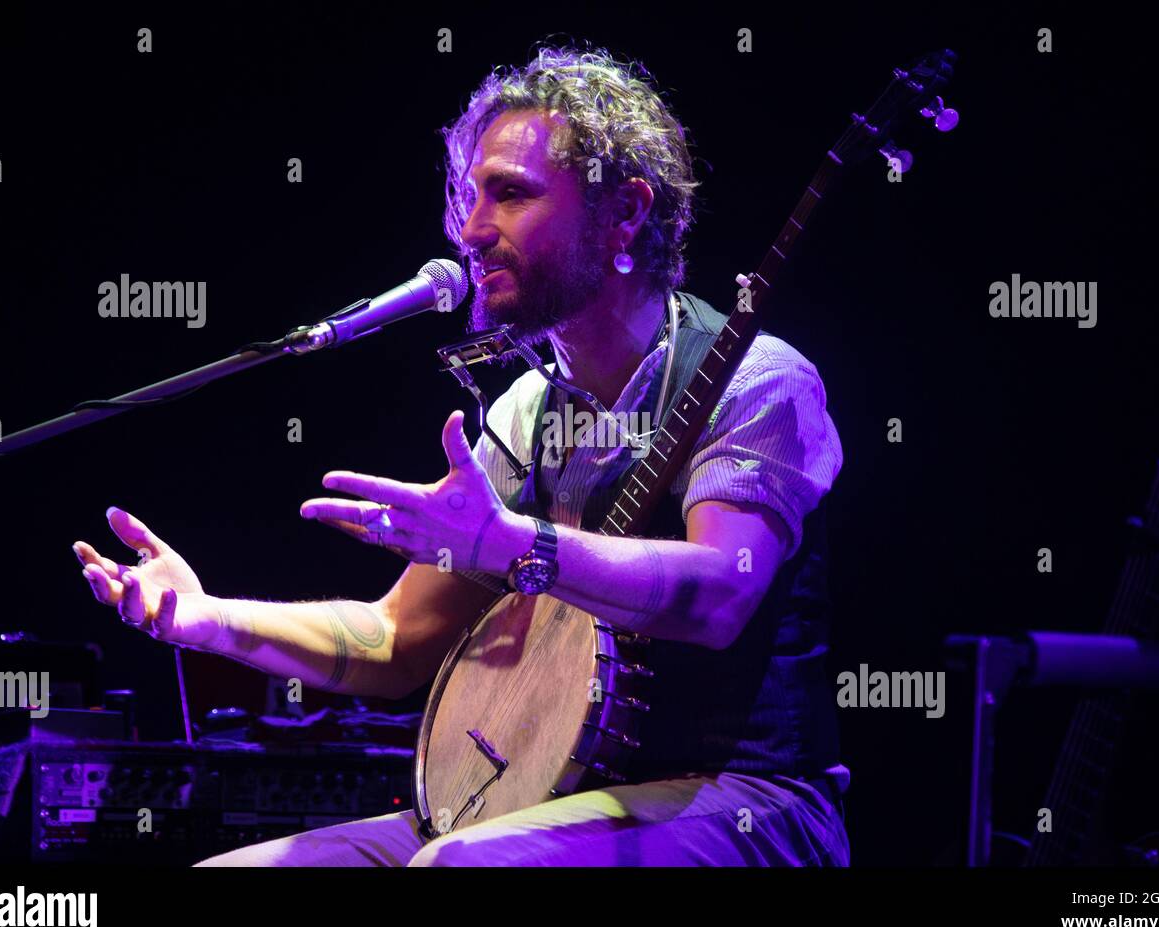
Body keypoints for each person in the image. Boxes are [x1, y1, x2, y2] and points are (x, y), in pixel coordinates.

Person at [72, 45, 849, 867]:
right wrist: (206, 619)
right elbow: (399, 640)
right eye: (470, 195)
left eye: (509, 194)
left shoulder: (758, 378)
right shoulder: (525, 409)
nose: (470, 231)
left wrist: (517, 547)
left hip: (743, 802)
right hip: (543, 801)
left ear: (625, 213)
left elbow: (718, 594)